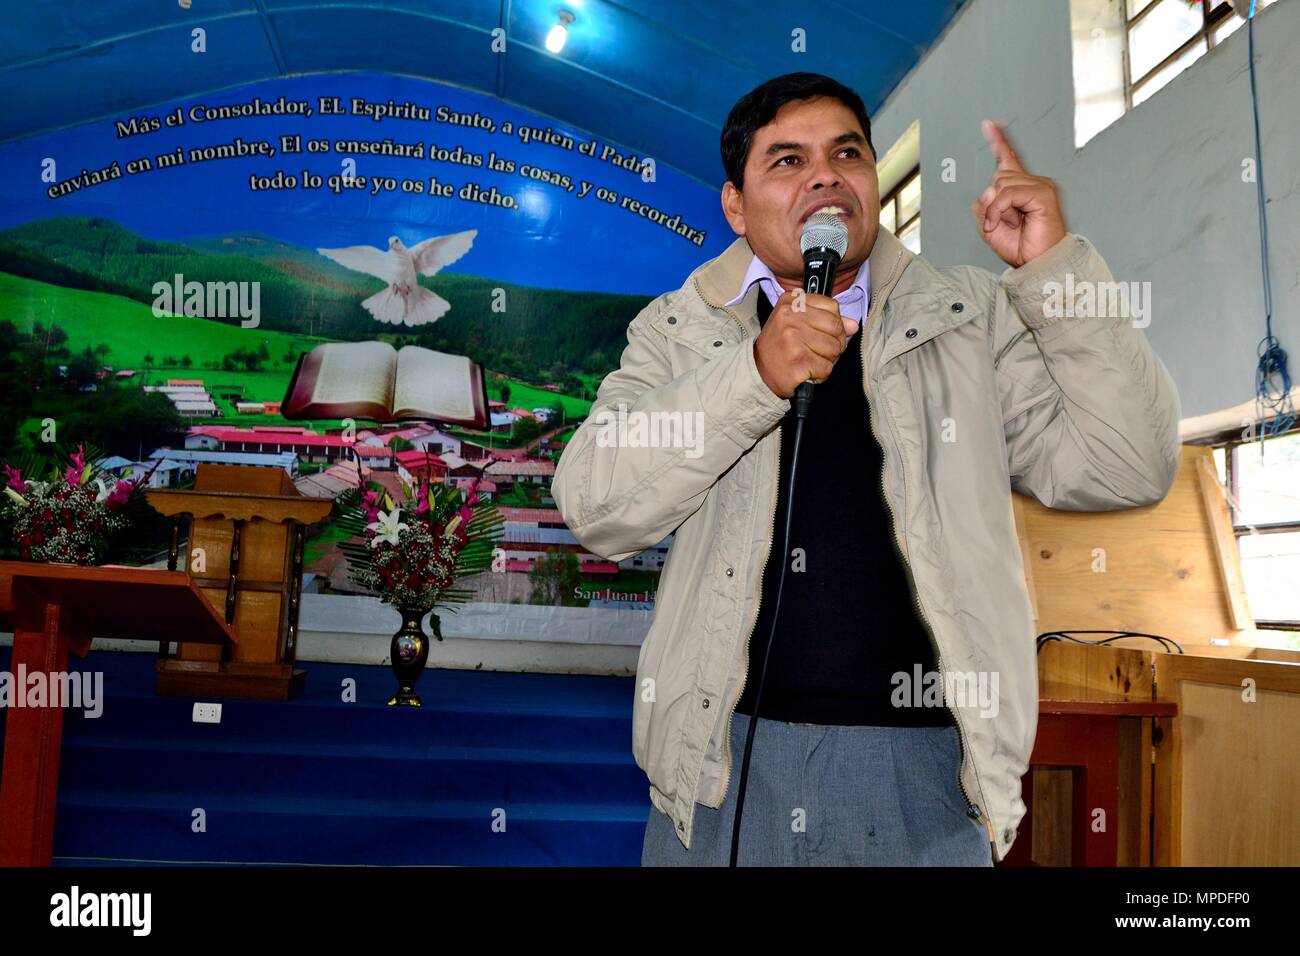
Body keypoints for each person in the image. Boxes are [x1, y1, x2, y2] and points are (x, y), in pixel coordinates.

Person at [552, 72, 1181, 866]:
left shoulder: (968, 318)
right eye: (786, 160)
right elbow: (596, 506)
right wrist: (753, 375)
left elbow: (1125, 464)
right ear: (736, 208)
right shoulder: (681, 330)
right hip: (721, 769)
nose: (825, 174)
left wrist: (1052, 273)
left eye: (846, 153)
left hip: (926, 776)